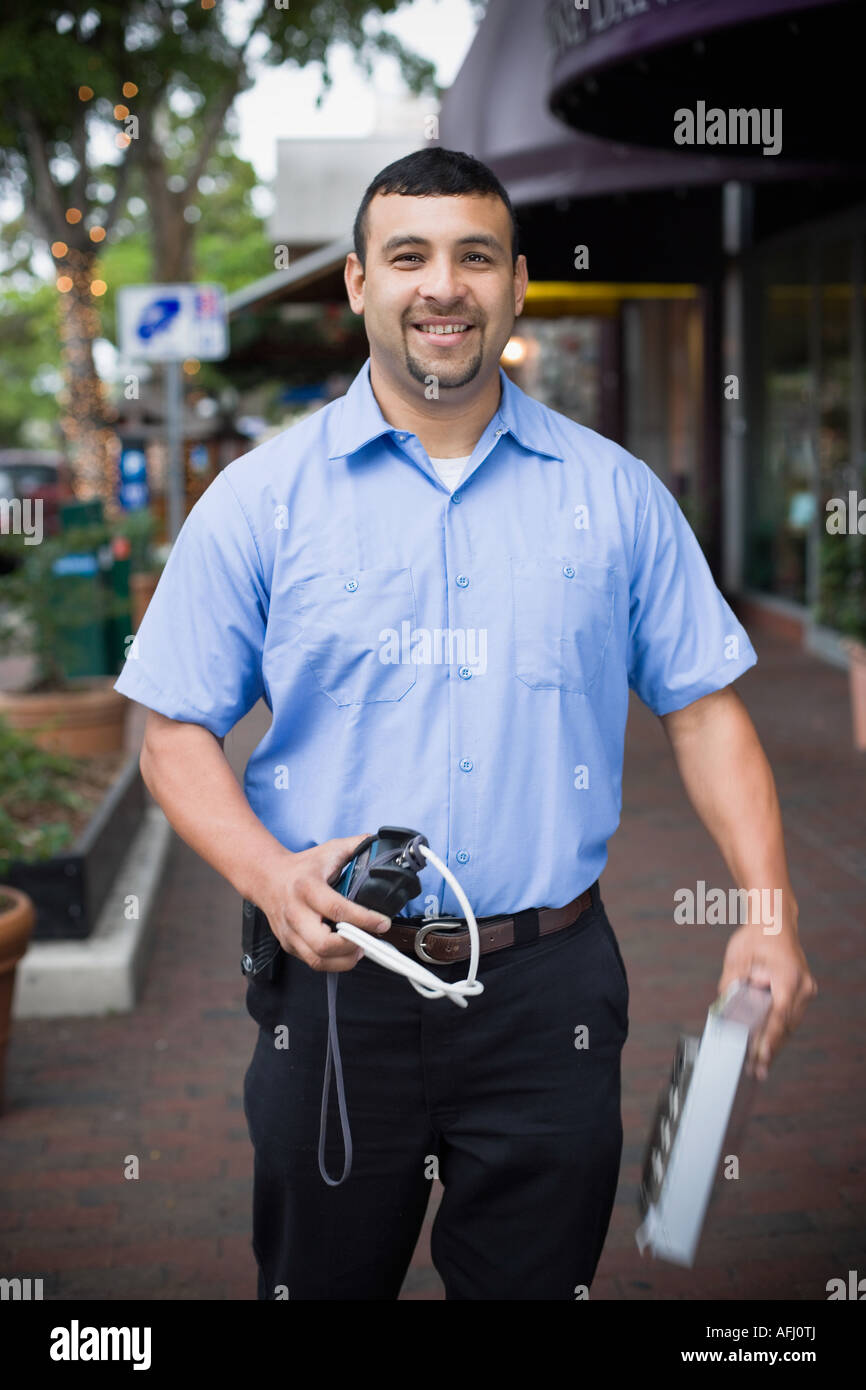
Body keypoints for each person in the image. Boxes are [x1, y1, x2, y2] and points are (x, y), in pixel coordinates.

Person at [114, 146, 817, 1301]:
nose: (442, 285)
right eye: (408, 256)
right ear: (355, 283)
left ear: (517, 284)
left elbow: (703, 713)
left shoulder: (614, 494)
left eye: (473, 256)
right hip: (334, 997)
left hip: (550, 997)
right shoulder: (259, 499)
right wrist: (269, 873)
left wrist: (765, 913)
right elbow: (174, 733)